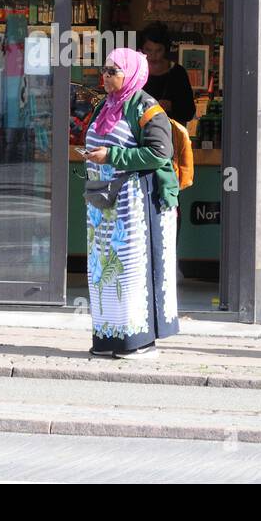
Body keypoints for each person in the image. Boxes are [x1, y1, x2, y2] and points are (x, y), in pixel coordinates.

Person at [79, 47, 180, 359]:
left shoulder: (148, 109)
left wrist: (112, 156)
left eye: (113, 71)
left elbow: (160, 153)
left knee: (132, 271)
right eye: (105, 70)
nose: (105, 76)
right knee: (102, 273)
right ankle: (108, 337)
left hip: (136, 205)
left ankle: (137, 340)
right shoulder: (105, 107)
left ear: (131, 73)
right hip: (104, 205)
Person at [139, 22, 197, 125]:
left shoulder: (177, 73)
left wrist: (171, 106)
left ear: (166, 49)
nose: (153, 55)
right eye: (148, 50)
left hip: (169, 133)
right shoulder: (136, 72)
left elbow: (189, 112)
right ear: (142, 49)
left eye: (158, 50)